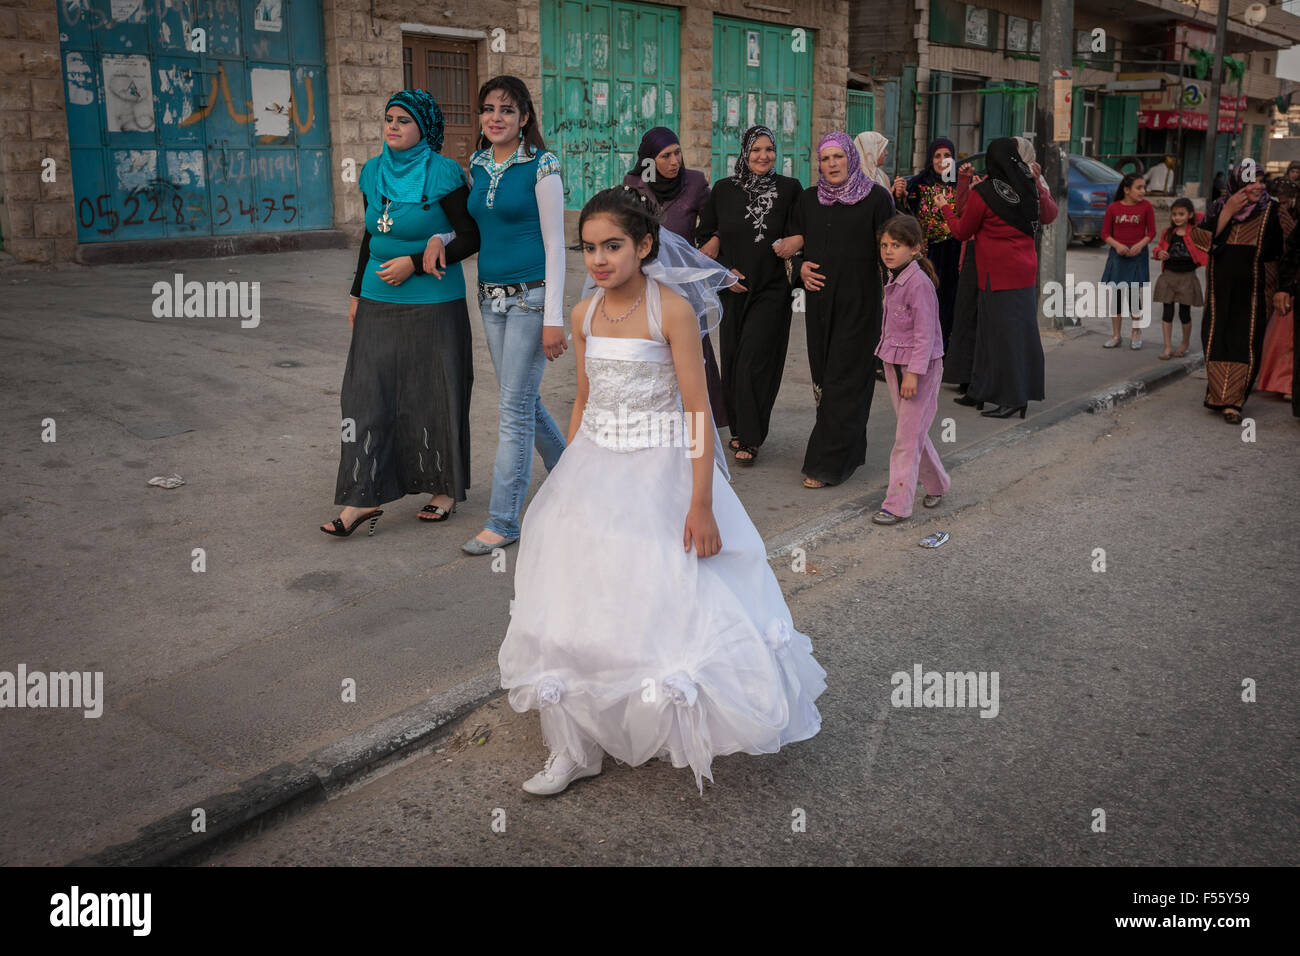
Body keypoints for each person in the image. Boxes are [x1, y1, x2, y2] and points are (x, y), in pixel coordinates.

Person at [497, 186, 826, 795]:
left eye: (613, 246)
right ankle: (574, 743)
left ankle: (658, 719)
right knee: (579, 599)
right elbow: (586, 398)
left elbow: (698, 410)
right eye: (589, 247)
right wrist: (568, 478)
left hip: (661, 468)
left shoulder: (669, 309)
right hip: (595, 466)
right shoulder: (584, 313)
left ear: (645, 245)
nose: (599, 259)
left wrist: (700, 502)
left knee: (658, 598)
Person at [322, 90, 480, 538]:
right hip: (377, 300)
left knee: (435, 394)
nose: (392, 126)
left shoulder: (446, 174)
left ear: (423, 128)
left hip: (433, 303)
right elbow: (371, 239)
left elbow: (470, 237)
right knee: (364, 396)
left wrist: (415, 259)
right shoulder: (372, 172)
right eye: (388, 118)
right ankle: (361, 497)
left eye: (403, 120)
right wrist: (356, 293)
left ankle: (444, 490)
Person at [450, 75, 568, 555]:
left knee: (513, 409)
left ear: (524, 118)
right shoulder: (477, 164)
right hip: (489, 299)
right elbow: (472, 228)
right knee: (520, 400)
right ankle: (573, 477)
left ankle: (503, 520)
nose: (495, 117)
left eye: (506, 109)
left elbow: (556, 245)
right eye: (488, 109)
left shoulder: (543, 167)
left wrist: (555, 317)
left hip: (531, 299)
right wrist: (440, 240)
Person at [787, 131, 894, 487]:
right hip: (819, 306)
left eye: (838, 157)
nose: (832, 164)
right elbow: (795, 242)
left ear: (851, 157)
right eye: (825, 158)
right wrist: (800, 267)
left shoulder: (877, 198)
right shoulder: (808, 200)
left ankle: (826, 464)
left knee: (844, 381)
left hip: (860, 305)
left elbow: (891, 248)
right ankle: (850, 451)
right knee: (824, 378)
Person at [697, 125, 803, 465]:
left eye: (769, 149)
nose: (763, 156)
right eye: (756, 150)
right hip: (733, 290)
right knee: (733, 359)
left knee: (753, 362)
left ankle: (752, 438)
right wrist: (724, 271)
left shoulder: (789, 189)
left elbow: (801, 231)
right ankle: (741, 429)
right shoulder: (724, 190)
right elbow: (706, 236)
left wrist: (798, 242)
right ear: (744, 152)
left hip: (772, 289)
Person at [938, 136, 1058, 420]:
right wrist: (1038, 182)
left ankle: (1013, 398)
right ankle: (987, 391)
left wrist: (944, 206)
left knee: (1002, 339)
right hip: (1023, 273)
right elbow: (1047, 214)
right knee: (1012, 336)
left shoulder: (986, 192)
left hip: (996, 275)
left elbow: (961, 231)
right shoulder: (1027, 185)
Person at [622, 126, 727, 431]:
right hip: (647, 281)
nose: (674, 161)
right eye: (665, 156)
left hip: (684, 283)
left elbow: (716, 220)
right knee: (652, 349)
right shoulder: (635, 183)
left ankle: (701, 419)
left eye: (677, 152)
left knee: (694, 350)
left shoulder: (694, 182)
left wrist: (715, 239)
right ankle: (655, 419)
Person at [1189, 161, 1284, 424]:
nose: (1258, 186)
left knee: (1246, 341)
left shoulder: (1272, 211)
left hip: (1255, 291)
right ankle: (1218, 394)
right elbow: (1201, 241)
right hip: (1220, 290)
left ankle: (1235, 401)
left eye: (1262, 181)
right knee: (1216, 337)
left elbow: (1288, 248)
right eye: (1253, 181)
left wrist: (1284, 287)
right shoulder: (1220, 207)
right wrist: (1228, 211)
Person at [870, 215, 949, 526]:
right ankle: (938, 484)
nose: (888, 251)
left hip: (919, 369)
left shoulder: (919, 284)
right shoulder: (893, 277)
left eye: (897, 245)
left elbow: (925, 334)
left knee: (905, 438)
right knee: (912, 432)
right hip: (894, 364)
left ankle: (897, 504)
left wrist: (914, 373)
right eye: (884, 245)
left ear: (915, 248)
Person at [893, 137, 959, 347]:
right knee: (924, 303)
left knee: (950, 303)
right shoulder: (919, 184)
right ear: (931, 159)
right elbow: (905, 217)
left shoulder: (962, 184)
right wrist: (900, 195)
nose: (942, 161)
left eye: (947, 156)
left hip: (954, 254)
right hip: (927, 256)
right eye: (937, 156)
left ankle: (944, 351)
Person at [1100, 173, 1156, 349]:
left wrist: (1140, 245)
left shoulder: (1146, 207)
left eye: (1144, 188)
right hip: (1118, 255)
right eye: (1138, 188)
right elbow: (1104, 234)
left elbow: (1151, 232)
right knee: (1117, 295)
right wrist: (1117, 246)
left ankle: (1136, 331)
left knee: (1133, 295)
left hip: (1137, 255)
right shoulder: (1113, 208)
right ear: (1126, 190)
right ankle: (1116, 335)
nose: (1143, 191)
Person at [1151, 198, 1206, 360]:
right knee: (1167, 312)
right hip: (1168, 277)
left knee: (1184, 313)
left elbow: (1205, 219)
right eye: (1174, 214)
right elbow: (1158, 248)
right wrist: (1158, 253)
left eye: (1181, 214)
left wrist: (1196, 217)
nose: (1177, 217)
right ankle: (1167, 347)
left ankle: (1184, 344)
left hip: (1187, 278)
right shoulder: (1168, 233)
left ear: (1190, 215)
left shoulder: (1196, 232)